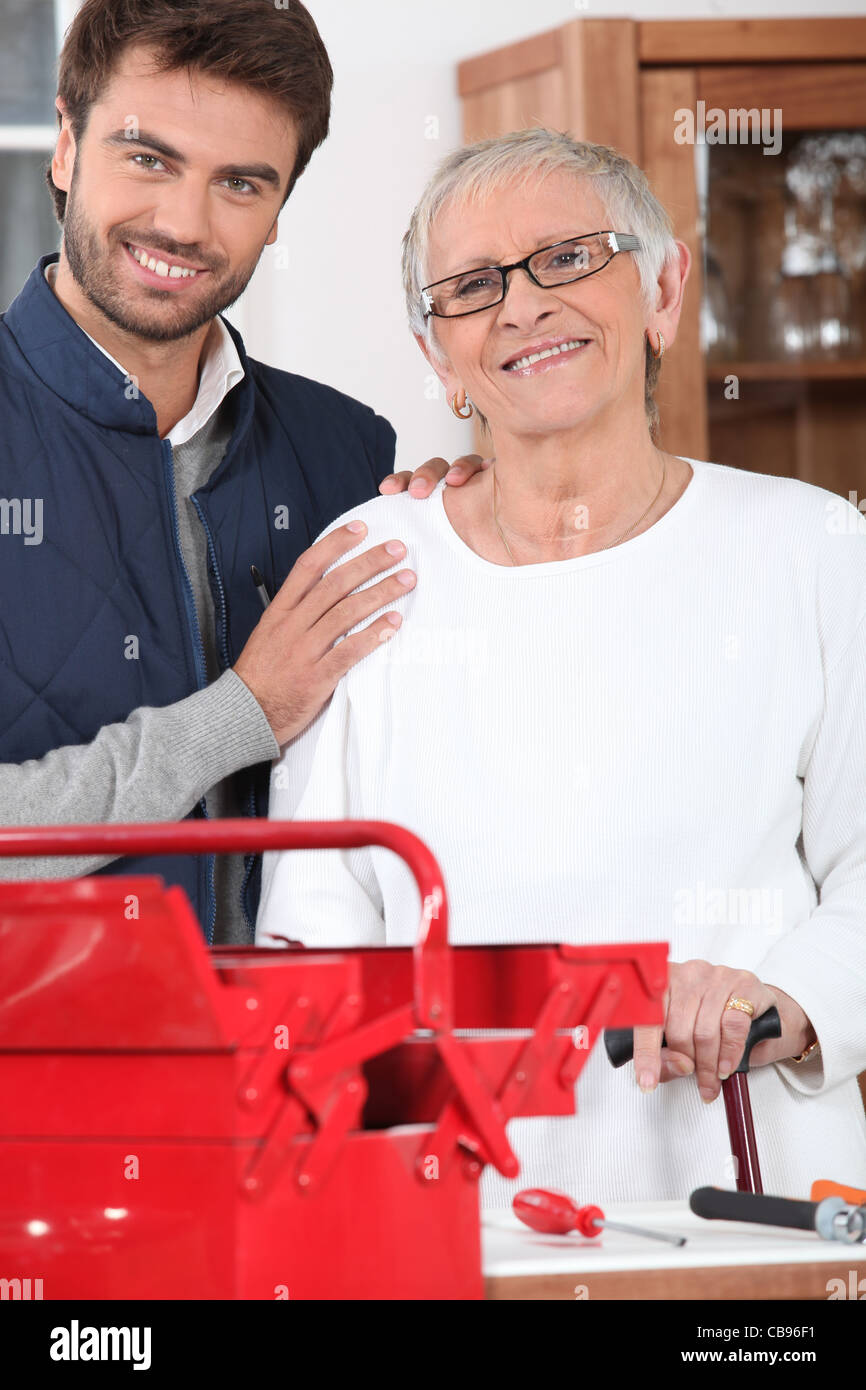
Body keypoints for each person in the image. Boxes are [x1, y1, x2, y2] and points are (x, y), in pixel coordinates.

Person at [256, 128, 866, 1205]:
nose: (523, 305)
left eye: (570, 257)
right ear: (435, 354)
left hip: (750, 1207)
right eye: (473, 285)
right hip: (449, 1219)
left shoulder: (816, 552)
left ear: (664, 289)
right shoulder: (362, 567)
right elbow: (315, 942)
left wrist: (780, 995)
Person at [0, 0, 486, 945]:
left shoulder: (349, 451)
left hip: (302, 1071)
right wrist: (242, 715)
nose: (183, 223)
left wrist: (468, 532)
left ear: (278, 212)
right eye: (148, 158)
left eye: (241, 183)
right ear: (66, 144)